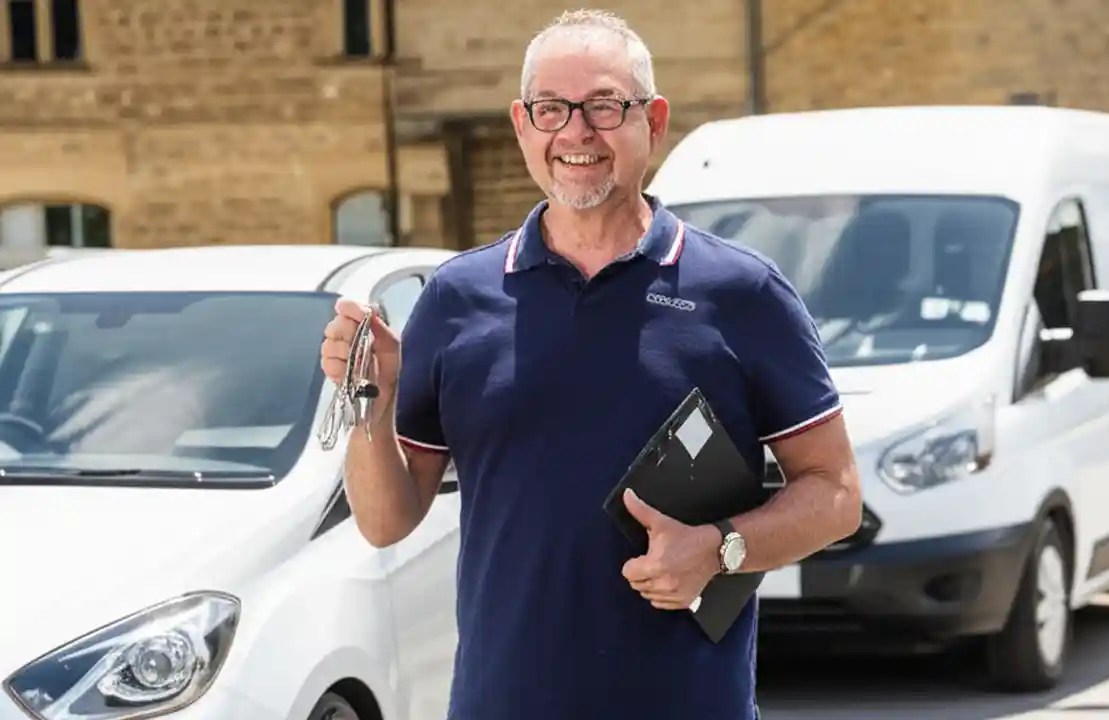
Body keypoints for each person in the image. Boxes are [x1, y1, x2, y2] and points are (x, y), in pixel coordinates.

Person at [320, 9, 862, 719]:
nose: (576, 133)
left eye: (605, 106)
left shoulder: (742, 293)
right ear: (522, 125)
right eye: (551, 109)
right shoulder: (457, 299)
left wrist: (722, 548)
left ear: (653, 120)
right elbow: (387, 522)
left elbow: (836, 494)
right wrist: (373, 404)